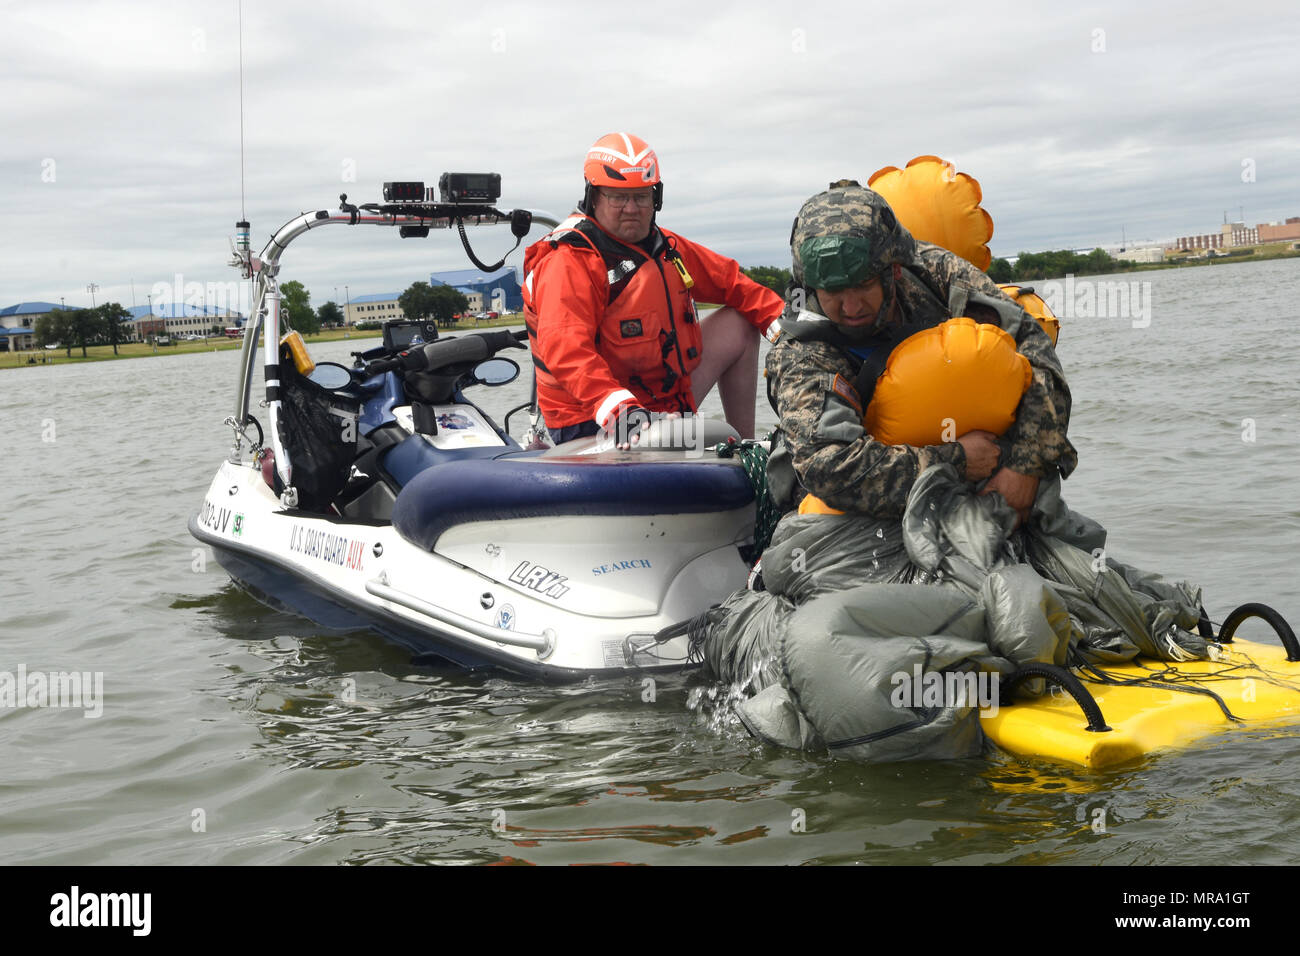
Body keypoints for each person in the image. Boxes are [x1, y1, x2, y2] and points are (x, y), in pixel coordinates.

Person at [766, 181, 1077, 525]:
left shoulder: (934, 274)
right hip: (863, 514)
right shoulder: (802, 348)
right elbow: (828, 468)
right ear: (811, 286)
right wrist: (956, 460)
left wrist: (1024, 467)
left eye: (864, 285)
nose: (851, 306)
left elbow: (1035, 352)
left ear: (893, 270)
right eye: (833, 292)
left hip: (991, 471)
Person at [522, 132, 784, 444]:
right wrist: (622, 411)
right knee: (671, 433)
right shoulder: (569, 261)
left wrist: (792, 336)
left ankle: (745, 449)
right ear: (594, 196)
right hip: (591, 418)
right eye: (618, 197)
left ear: (655, 198)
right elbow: (566, 349)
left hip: (663, 403)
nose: (631, 208)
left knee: (741, 321)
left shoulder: (666, 247)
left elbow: (734, 283)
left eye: (641, 196)